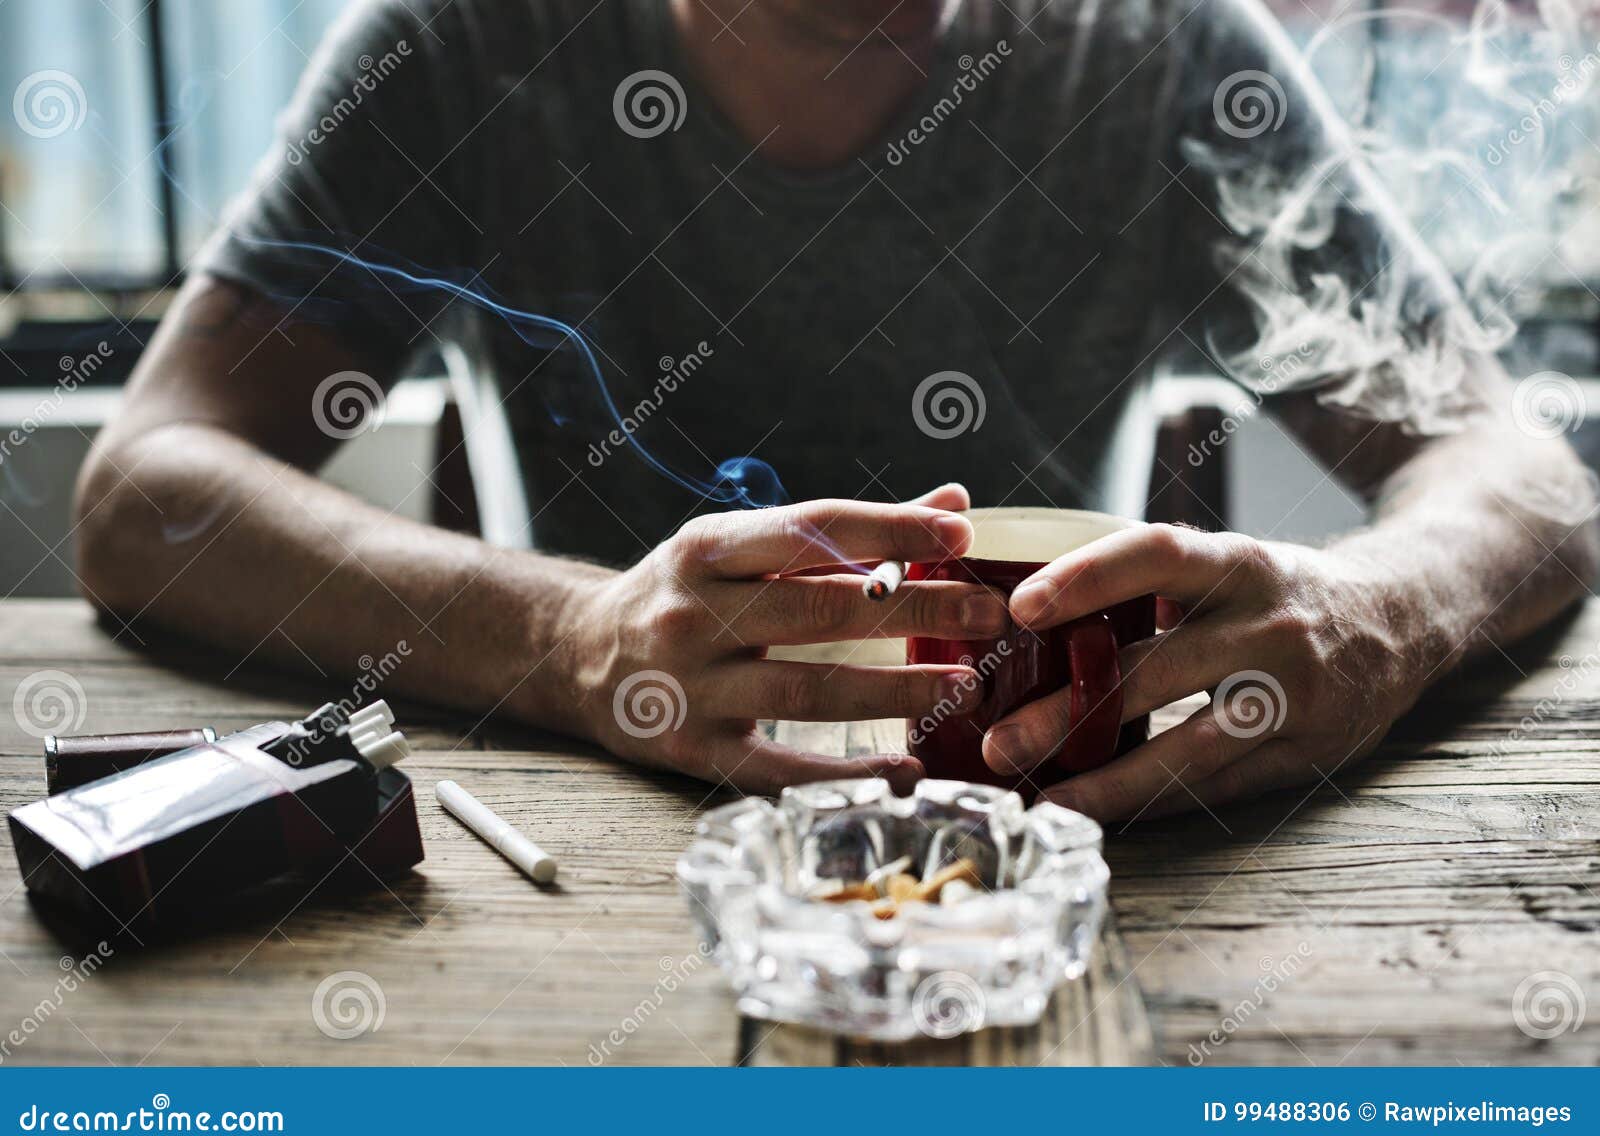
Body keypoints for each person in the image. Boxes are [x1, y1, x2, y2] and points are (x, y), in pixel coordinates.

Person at [74, 0, 1596, 820]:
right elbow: (147, 487)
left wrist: (1374, 610)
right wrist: (573, 639)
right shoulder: (468, 41)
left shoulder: (1161, 48)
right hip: (612, 847)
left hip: (1054, 844)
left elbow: (1515, 468)